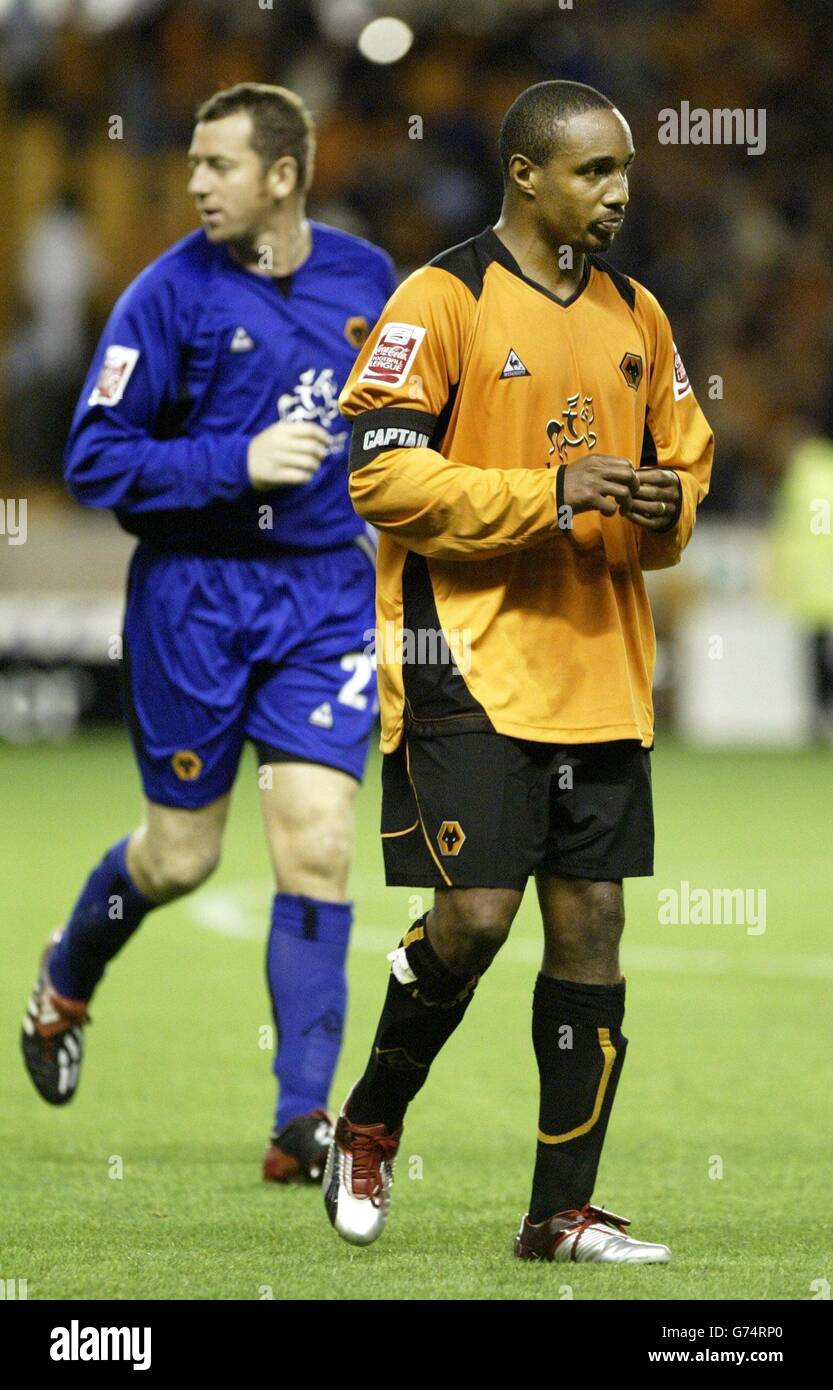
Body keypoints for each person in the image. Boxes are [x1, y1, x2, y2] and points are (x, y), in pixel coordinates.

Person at [323, 80, 713, 1261]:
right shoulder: (438, 299)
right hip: (466, 662)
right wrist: (550, 495)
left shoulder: (638, 314)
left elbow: (683, 471)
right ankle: (369, 1124)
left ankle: (558, 1214)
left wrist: (659, 507)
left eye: (626, 169)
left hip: (599, 667)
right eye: (595, 171)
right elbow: (380, 477)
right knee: (475, 918)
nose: (619, 192)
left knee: (590, 922)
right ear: (527, 175)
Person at [21, 82, 395, 1184]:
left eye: (217, 165)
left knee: (318, 838)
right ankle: (64, 973)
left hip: (326, 596)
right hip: (195, 600)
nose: (193, 184)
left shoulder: (366, 282)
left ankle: (301, 1119)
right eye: (191, 163)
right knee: (181, 856)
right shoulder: (162, 295)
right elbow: (92, 460)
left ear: (283, 175)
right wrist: (233, 463)